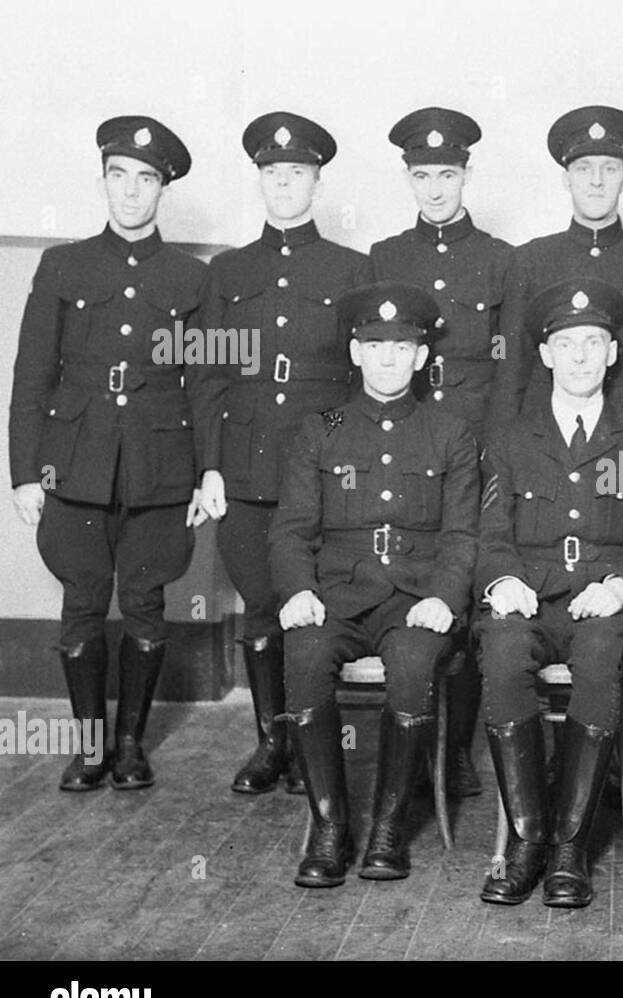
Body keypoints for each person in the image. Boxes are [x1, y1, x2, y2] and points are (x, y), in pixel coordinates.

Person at [9, 116, 208, 790]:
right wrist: (22, 473)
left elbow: (205, 384)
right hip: (74, 463)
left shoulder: (190, 276)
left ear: (162, 191)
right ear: (102, 182)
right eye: (119, 176)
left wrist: (207, 472)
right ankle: (90, 746)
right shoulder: (63, 264)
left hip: (159, 465)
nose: (131, 192)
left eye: (146, 179)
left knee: (148, 604)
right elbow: (31, 374)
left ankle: (130, 746)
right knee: (82, 604)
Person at [268, 281, 479, 886]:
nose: (388, 359)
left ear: (421, 357)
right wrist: (298, 592)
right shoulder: (322, 429)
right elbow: (290, 529)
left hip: (416, 596)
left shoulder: (451, 433)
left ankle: (389, 828)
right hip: (336, 592)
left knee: (414, 668)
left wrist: (443, 596)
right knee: (303, 659)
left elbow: (463, 534)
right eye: (374, 345)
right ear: (356, 353)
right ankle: (331, 828)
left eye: (403, 347)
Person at [476, 278, 623, 909]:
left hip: (604, 607)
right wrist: (504, 581)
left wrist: (621, 587)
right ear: (545, 355)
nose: (582, 356)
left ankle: (569, 848)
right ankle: (527, 840)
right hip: (529, 599)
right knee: (502, 655)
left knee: (598, 660)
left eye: (594, 342)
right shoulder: (510, 437)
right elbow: (489, 530)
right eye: (568, 344)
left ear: (613, 353)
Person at [194, 111, 369, 795]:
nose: (284, 183)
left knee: (313, 605)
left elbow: (363, 382)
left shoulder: (353, 269)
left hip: (321, 472)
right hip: (241, 469)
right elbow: (206, 376)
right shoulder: (229, 270)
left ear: (317, 182)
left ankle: (311, 741)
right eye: (273, 172)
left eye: (297, 172)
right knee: (261, 606)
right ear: (260, 180)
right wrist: (209, 465)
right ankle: (273, 745)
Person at [370, 106, 514, 799]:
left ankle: (456, 749)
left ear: (467, 174)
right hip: (406, 453)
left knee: (467, 595)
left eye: (447, 174)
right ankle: (411, 739)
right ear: (407, 177)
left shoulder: (501, 260)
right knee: (416, 581)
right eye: (422, 175)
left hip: (477, 451)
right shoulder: (385, 258)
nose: (435, 188)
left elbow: (517, 372)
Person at [488, 106, 623, 449]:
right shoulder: (530, 260)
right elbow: (511, 368)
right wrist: (498, 455)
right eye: (584, 169)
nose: (597, 181)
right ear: (566, 179)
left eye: (609, 169)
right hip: (549, 435)